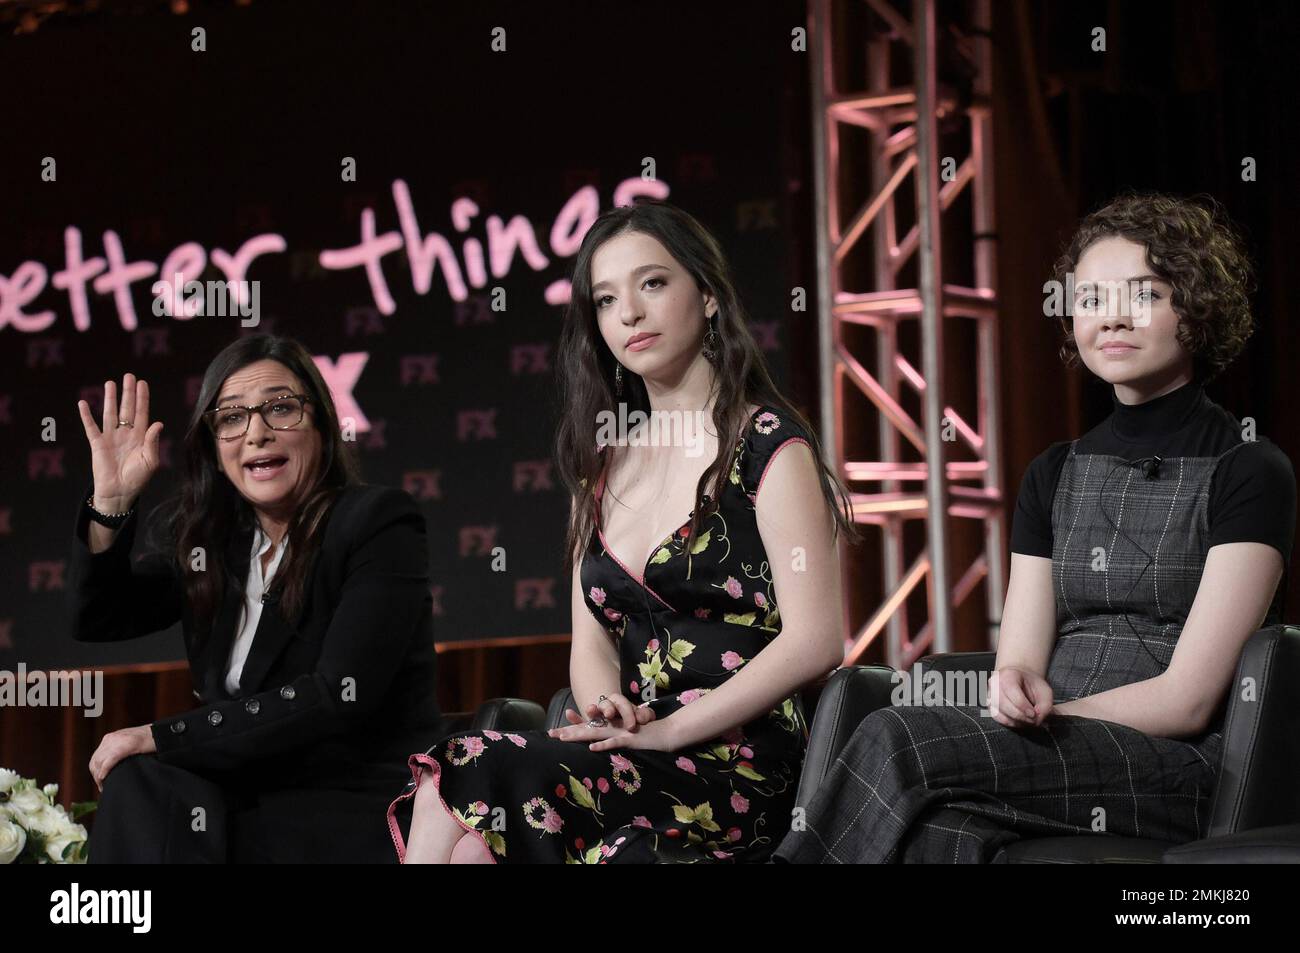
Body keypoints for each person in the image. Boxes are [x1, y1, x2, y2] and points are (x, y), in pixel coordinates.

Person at [774, 192, 1296, 863]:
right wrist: (1015, 687)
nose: (1110, 316)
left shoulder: (1250, 468)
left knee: (895, 736)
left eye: (1143, 294)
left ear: (1194, 310)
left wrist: (1044, 718)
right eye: (1091, 297)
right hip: (1042, 750)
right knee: (936, 833)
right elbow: (1019, 656)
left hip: (1172, 765)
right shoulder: (1053, 473)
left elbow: (1187, 700)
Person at [386, 200, 860, 863]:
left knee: (462, 764)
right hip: (632, 752)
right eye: (606, 300)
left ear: (711, 295)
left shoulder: (769, 446)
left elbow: (817, 639)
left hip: (738, 766)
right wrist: (607, 705)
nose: (629, 313)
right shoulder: (600, 470)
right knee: (472, 852)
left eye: (653, 283)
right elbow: (592, 646)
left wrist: (672, 731)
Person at [70, 333, 443, 863]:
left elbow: (337, 695)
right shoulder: (213, 547)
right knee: (140, 783)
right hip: (238, 800)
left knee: (157, 784)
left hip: (347, 802)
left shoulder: (376, 523)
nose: (257, 433)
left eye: (281, 408)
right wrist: (110, 503)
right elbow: (97, 616)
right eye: (231, 418)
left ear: (320, 424)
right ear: (213, 445)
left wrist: (164, 734)